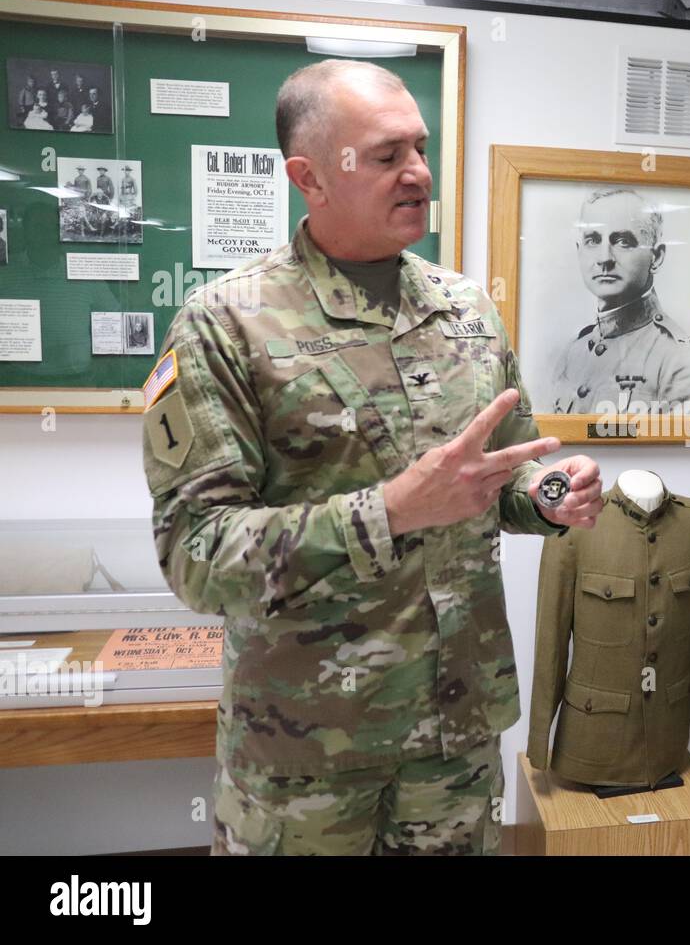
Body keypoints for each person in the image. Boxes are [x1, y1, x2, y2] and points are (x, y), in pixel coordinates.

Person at [142, 59, 604, 855]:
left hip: (455, 735)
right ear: (309, 176)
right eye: (387, 156)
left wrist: (547, 491)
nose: (419, 174)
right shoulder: (224, 325)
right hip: (309, 756)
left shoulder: (465, 308)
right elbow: (197, 556)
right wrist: (387, 513)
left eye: (420, 150)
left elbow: (500, 475)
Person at [550, 187, 690, 415]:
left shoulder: (679, 359)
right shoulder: (573, 353)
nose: (604, 259)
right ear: (579, 252)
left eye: (622, 241)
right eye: (592, 240)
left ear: (656, 257)